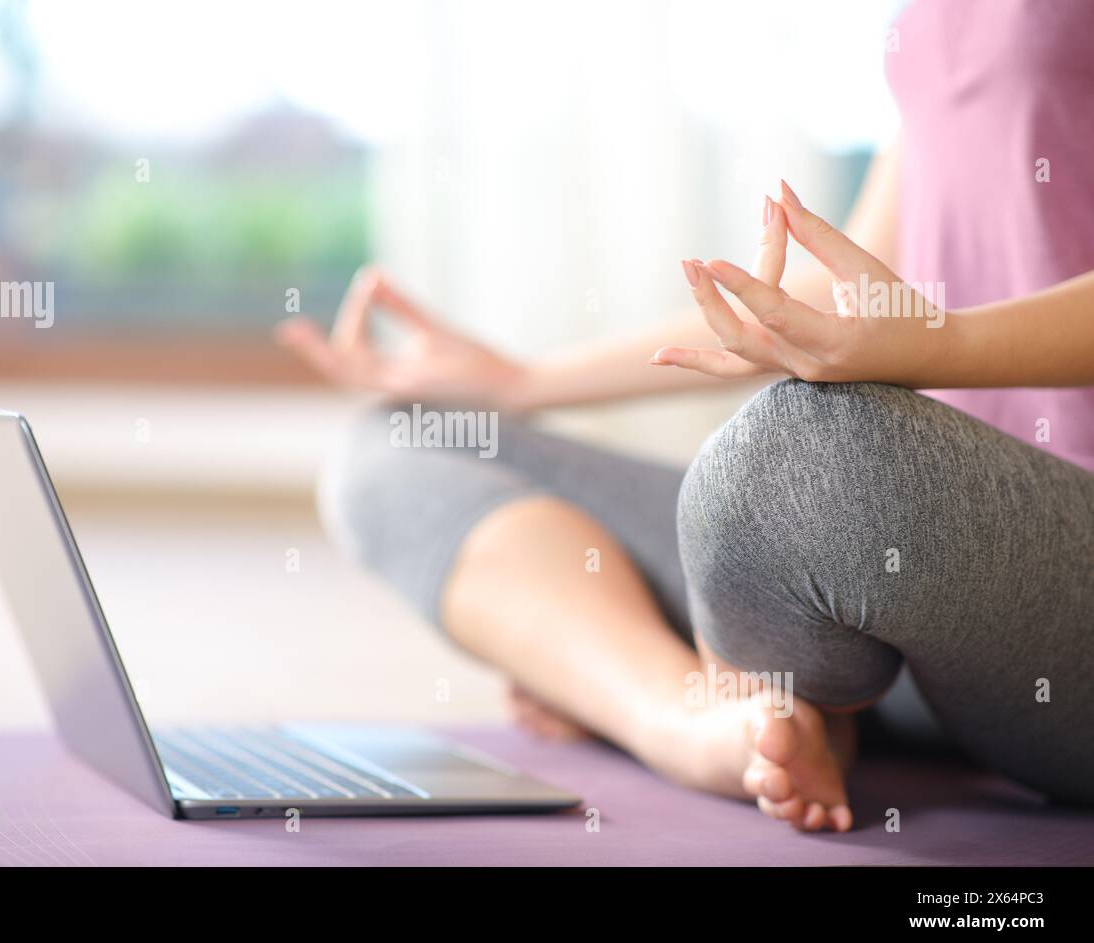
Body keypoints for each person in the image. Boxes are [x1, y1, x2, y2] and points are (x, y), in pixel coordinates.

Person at [278, 0, 1094, 832]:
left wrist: (939, 347)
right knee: (405, 439)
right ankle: (709, 719)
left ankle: (749, 684)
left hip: (1058, 616)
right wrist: (521, 383)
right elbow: (869, 286)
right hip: (917, 616)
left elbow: (914, 335)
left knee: (787, 464)